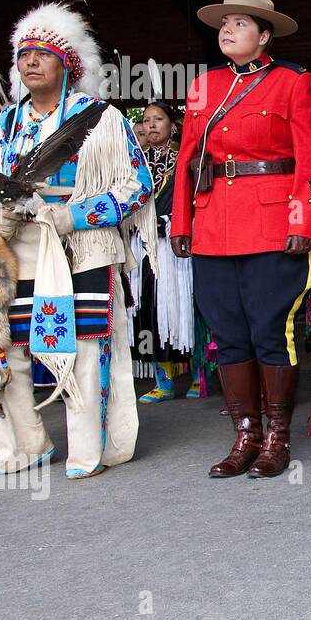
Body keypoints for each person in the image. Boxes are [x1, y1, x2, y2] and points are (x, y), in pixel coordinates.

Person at [0, 1, 153, 478]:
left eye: (41, 54)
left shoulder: (101, 118)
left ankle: (87, 449)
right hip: (13, 249)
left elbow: (137, 186)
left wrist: (73, 215)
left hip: (80, 245)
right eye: (23, 54)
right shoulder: (5, 124)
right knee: (5, 347)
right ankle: (24, 446)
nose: (29, 62)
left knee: (84, 346)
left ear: (66, 64)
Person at [171, 0, 311, 478]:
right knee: (227, 333)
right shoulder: (204, 85)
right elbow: (187, 159)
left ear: (264, 35)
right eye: (224, 23)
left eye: (240, 23)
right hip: (214, 222)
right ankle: (245, 434)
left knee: (270, 330)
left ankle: (277, 437)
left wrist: (305, 220)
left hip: (273, 222)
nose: (227, 30)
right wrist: (182, 220)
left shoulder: (294, 82)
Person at [131, 101, 202, 402]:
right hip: (144, 245)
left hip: (177, 242)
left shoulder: (184, 160)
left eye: (158, 119)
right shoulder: (135, 163)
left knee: (185, 307)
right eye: (146, 120)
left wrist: (178, 226)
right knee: (149, 308)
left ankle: (200, 376)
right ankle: (164, 380)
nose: (151, 125)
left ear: (173, 125)